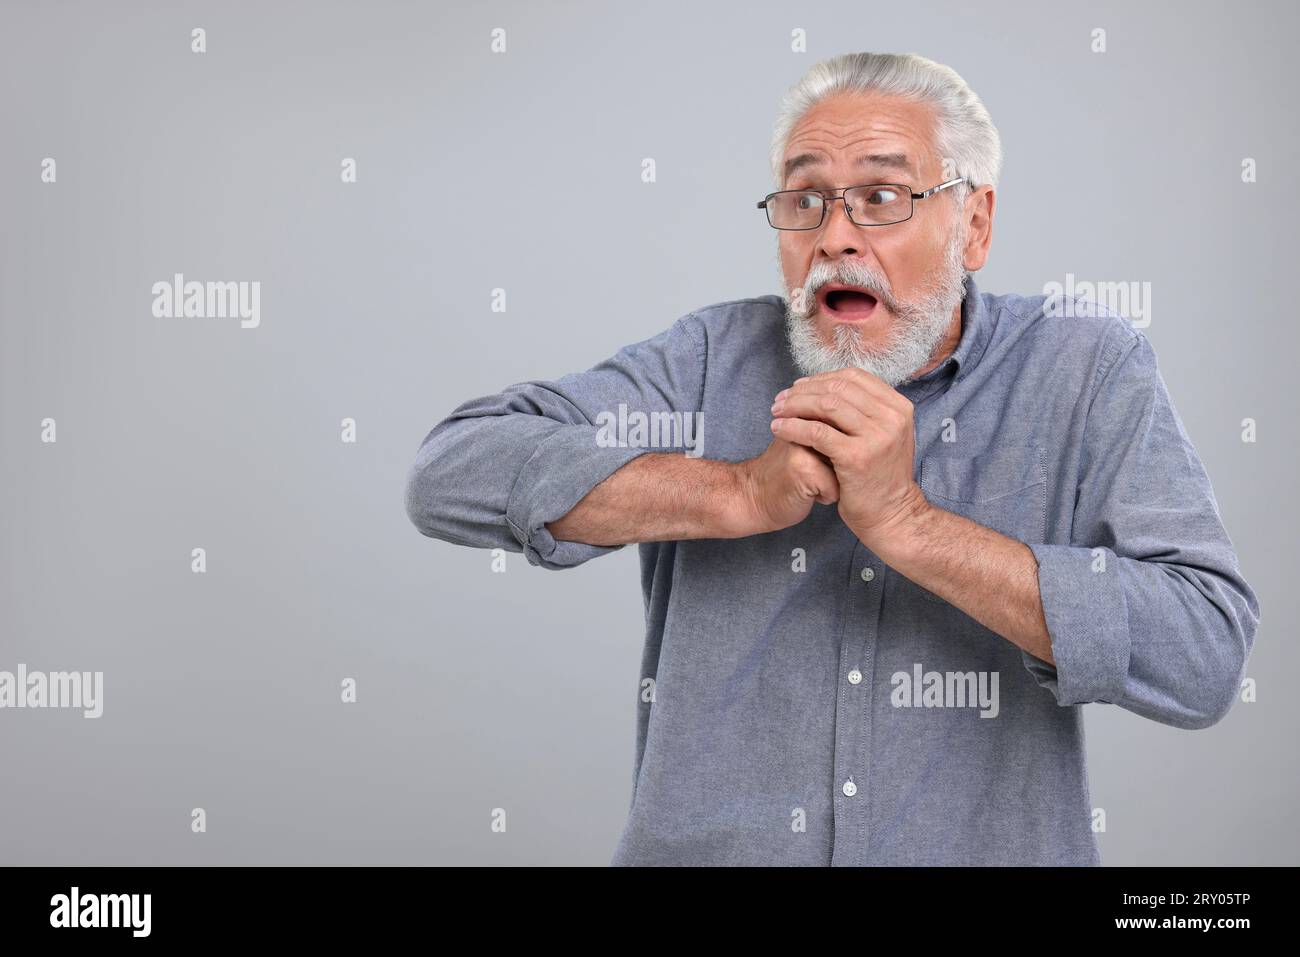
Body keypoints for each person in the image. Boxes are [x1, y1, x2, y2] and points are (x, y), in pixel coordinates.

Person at [405, 52, 1259, 865]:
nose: (836, 237)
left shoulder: (1085, 368)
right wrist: (736, 491)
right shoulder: (709, 359)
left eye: (882, 196)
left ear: (974, 224)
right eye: (805, 199)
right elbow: (451, 473)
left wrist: (912, 526)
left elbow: (1203, 652)